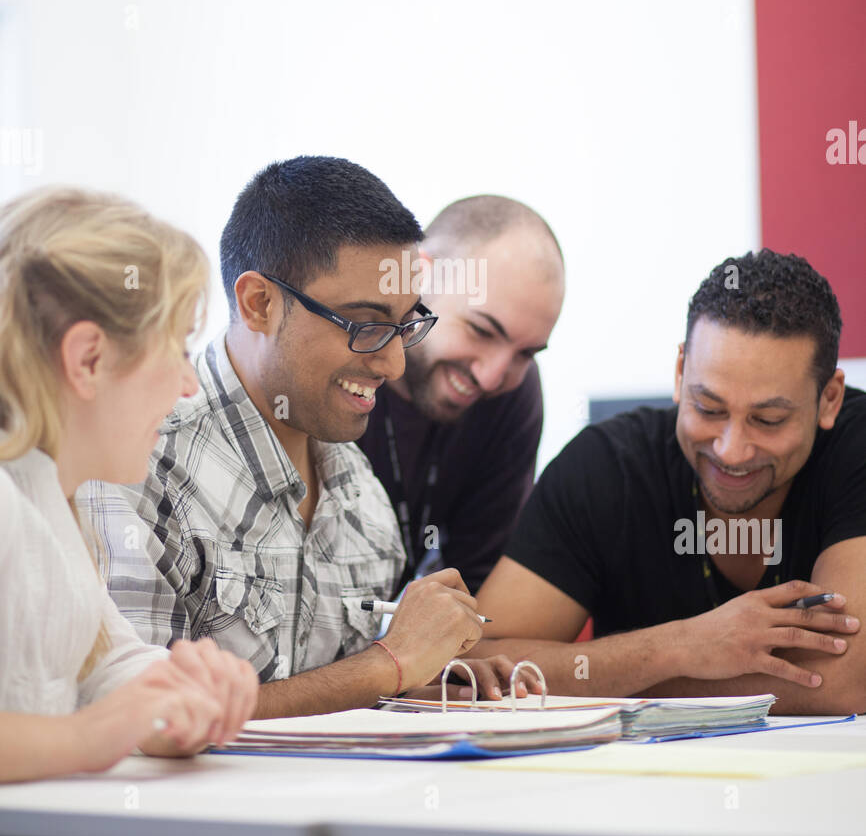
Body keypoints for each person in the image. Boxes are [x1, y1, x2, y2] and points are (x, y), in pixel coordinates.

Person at [83, 158, 520, 714]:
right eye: (366, 324)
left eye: (406, 324)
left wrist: (423, 680)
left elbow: (347, 688)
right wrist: (389, 663)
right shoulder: (137, 460)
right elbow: (139, 717)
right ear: (259, 304)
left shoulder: (363, 496)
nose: (391, 363)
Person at [472, 250, 866, 715]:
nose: (730, 449)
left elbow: (838, 683)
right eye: (709, 408)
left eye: (768, 419)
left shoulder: (855, 449)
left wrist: (607, 682)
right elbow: (470, 663)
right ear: (681, 373)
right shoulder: (606, 465)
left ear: (829, 399)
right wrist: (679, 645)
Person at [0, 185, 258, 786]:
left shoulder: (52, 502)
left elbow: (103, 664)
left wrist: (179, 699)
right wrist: (91, 737)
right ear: (88, 360)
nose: (189, 385)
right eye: (176, 349)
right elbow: (90, 724)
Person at [357, 195, 564, 593]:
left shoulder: (514, 396)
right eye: (482, 331)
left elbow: (477, 586)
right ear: (419, 277)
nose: (492, 378)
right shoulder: (333, 368)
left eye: (526, 354)